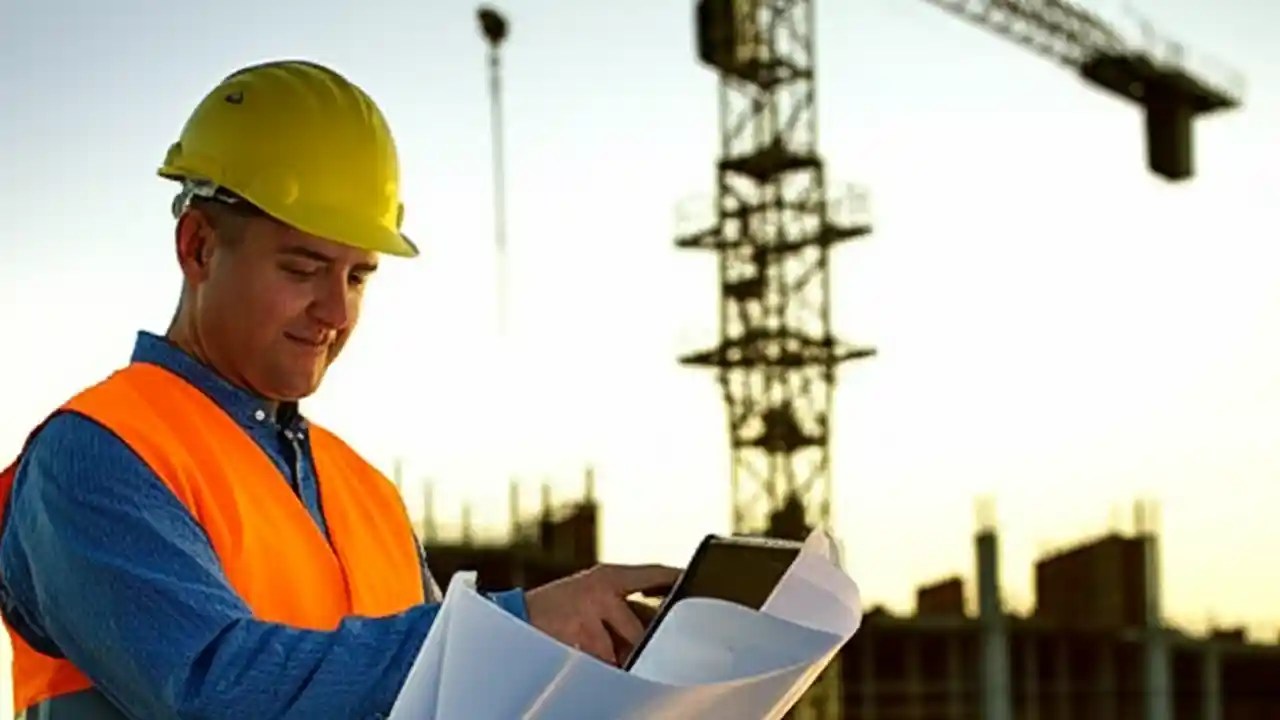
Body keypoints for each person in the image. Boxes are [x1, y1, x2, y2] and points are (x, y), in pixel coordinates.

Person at [0, 59, 679, 719]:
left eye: (357, 278)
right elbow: (212, 689)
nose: (336, 311)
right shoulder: (96, 455)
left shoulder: (367, 496)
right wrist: (520, 630)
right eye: (303, 269)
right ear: (198, 247)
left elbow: (438, 699)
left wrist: (597, 678)